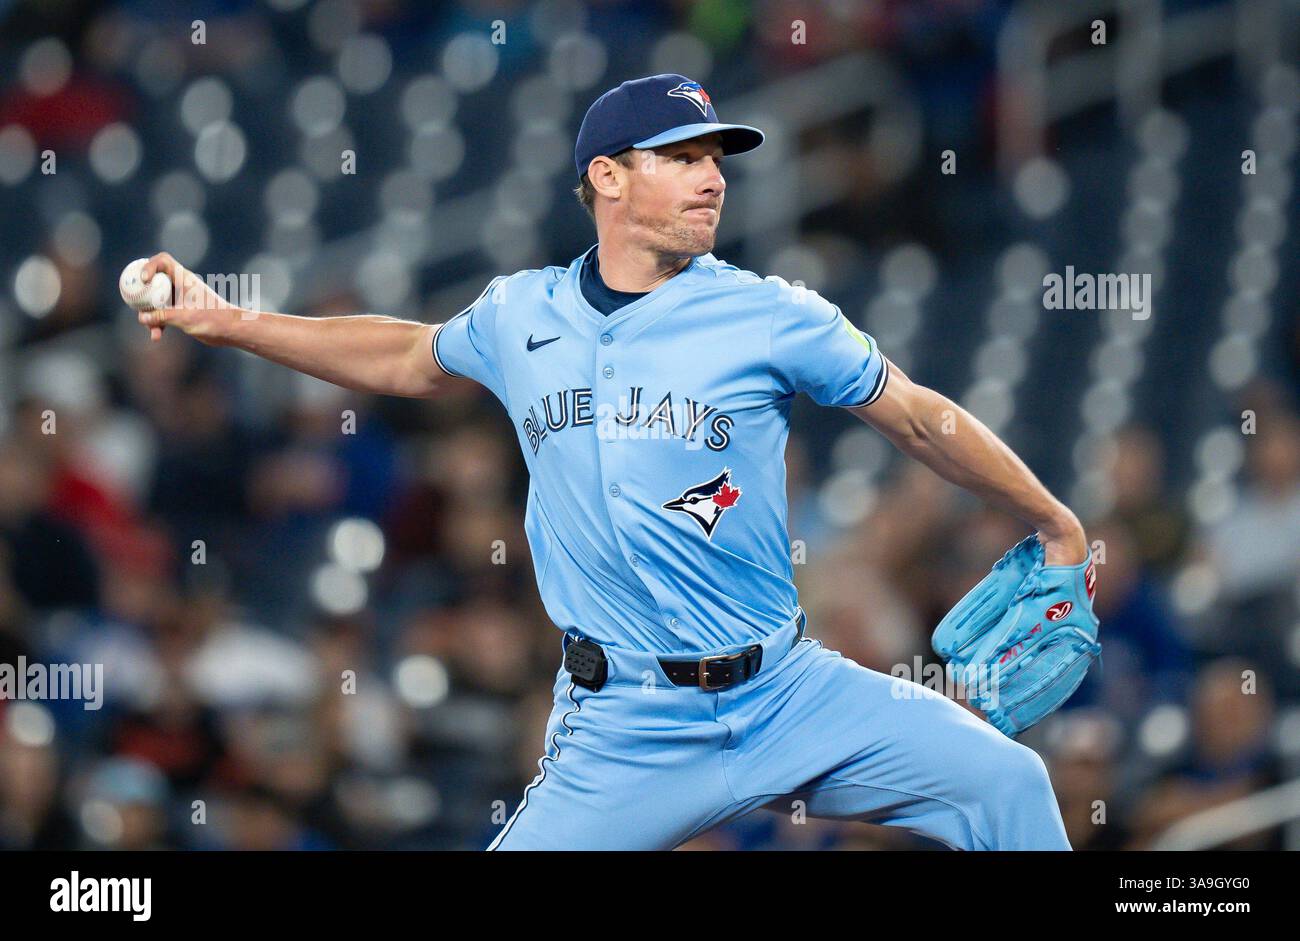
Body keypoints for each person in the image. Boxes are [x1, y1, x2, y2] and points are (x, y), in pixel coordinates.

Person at [135, 74, 1089, 850]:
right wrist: (228, 320)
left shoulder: (770, 312)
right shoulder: (522, 315)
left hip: (790, 689)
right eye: (682, 159)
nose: (713, 177)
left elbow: (919, 419)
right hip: (626, 722)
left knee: (1006, 782)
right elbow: (402, 354)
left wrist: (1052, 518)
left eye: (716, 158)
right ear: (609, 177)